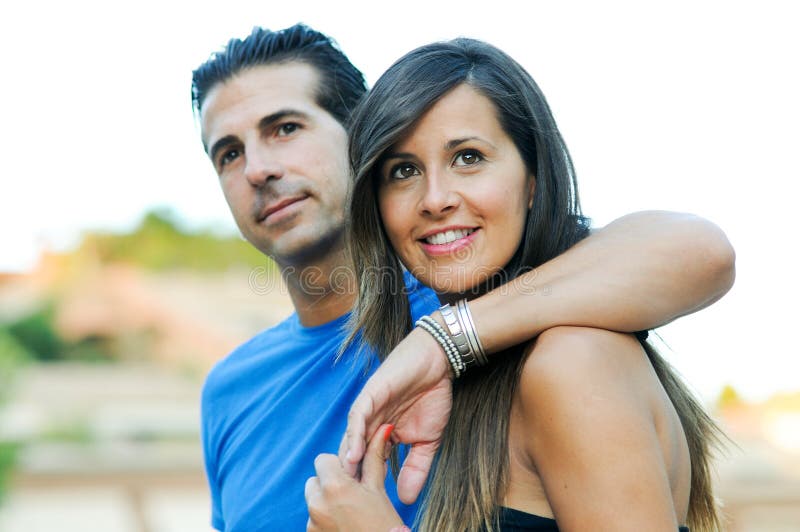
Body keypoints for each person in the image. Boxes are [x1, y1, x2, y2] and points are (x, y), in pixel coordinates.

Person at [190, 25, 734, 531]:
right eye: (228, 153)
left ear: (360, 141)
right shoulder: (229, 392)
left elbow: (699, 250)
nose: (257, 169)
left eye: (285, 128)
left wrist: (444, 337)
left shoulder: (530, 312)